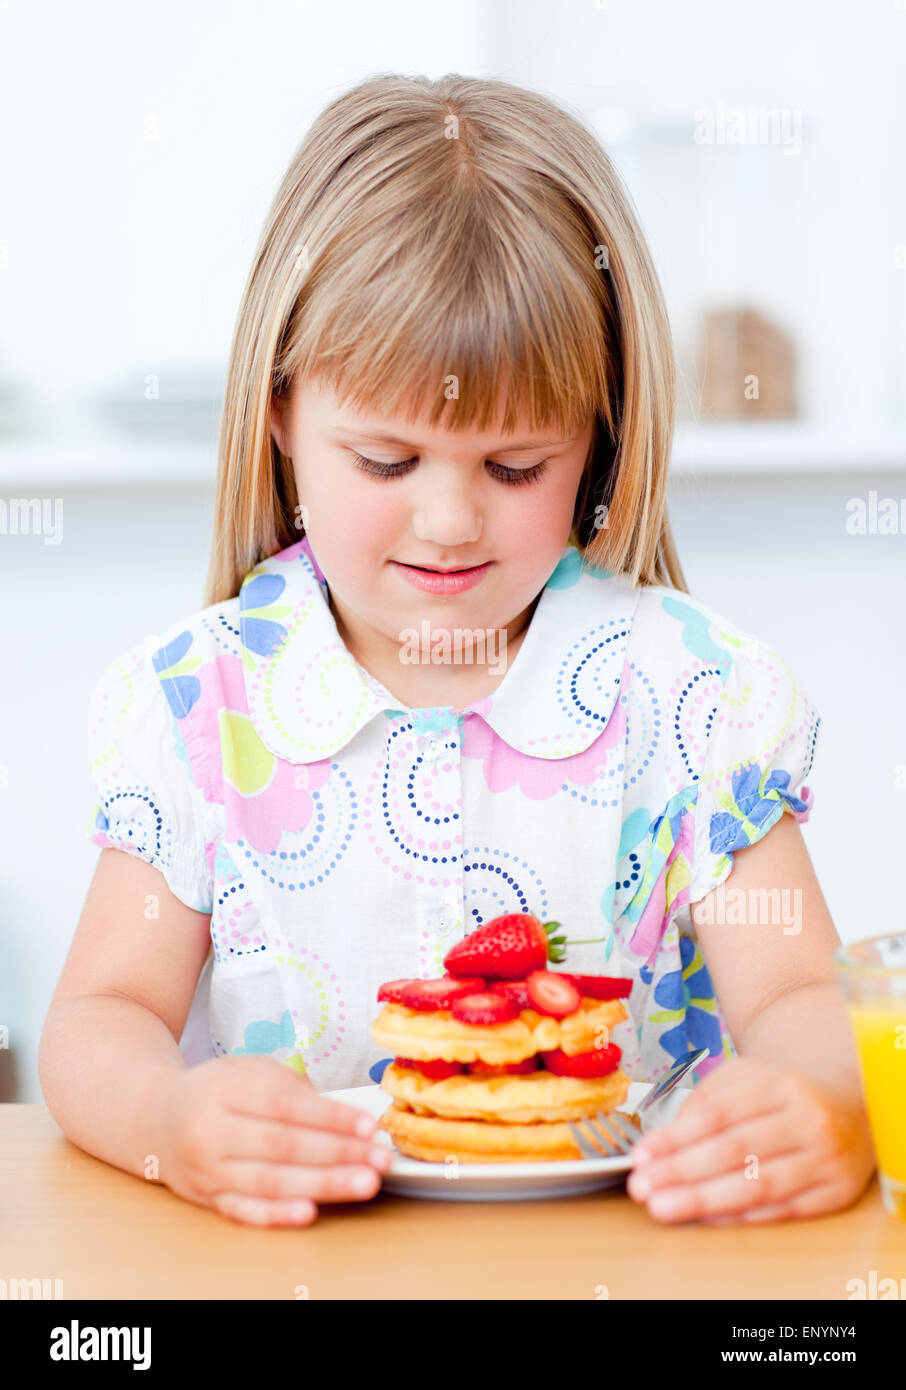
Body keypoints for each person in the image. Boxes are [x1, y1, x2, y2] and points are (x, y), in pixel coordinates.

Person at [40, 72, 874, 1230]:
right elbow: (97, 1020)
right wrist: (167, 1124)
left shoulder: (695, 698)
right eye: (386, 462)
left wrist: (828, 1099)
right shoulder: (200, 706)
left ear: (602, 434)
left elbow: (795, 995)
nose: (447, 519)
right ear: (279, 412)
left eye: (515, 467)